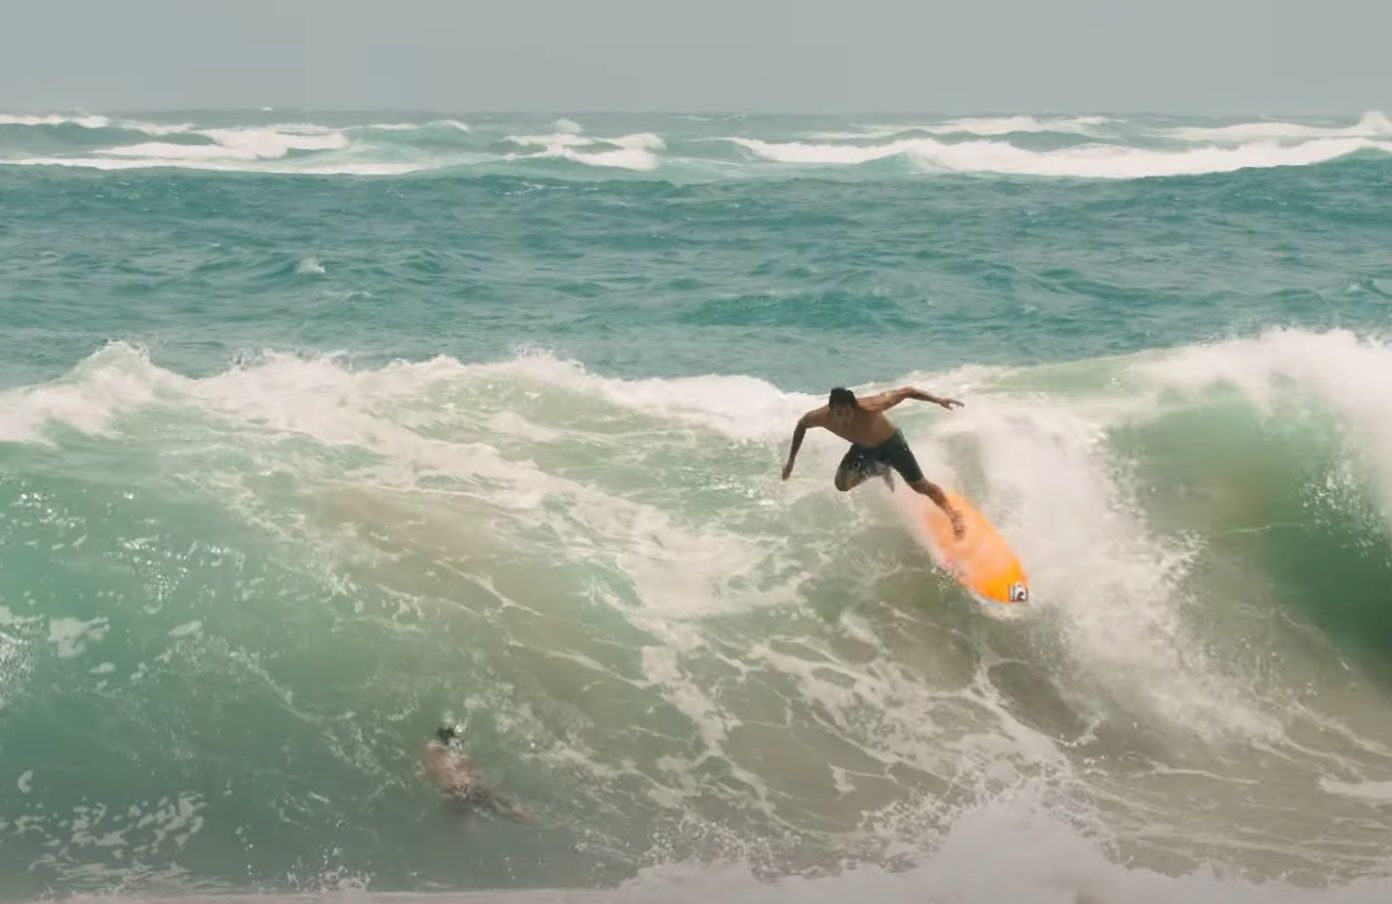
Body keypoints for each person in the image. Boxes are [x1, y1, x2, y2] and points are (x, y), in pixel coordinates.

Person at [782, 385, 966, 538]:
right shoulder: (820, 417)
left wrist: (938, 400)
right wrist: (791, 460)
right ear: (832, 410)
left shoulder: (870, 407)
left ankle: (953, 515)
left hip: (893, 445)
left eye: (847, 413)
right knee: (842, 484)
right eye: (839, 413)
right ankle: (879, 470)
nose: (844, 418)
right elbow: (801, 425)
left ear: (854, 408)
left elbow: (906, 392)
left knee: (920, 486)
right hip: (863, 449)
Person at [420, 725, 540, 825]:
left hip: (452, 791)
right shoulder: (461, 757)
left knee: (462, 815)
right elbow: (478, 772)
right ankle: (525, 815)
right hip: (470, 786)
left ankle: (468, 826)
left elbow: (426, 772)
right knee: (496, 799)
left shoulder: (431, 756)